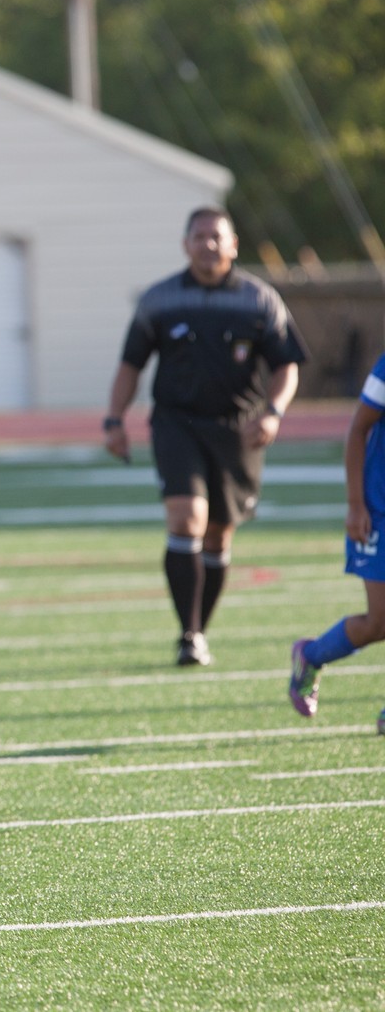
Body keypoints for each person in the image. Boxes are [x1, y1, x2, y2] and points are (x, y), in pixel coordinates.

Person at [103, 207, 306, 667]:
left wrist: (273, 413)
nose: (208, 244)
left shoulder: (260, 299)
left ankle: (199, 629)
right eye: (199, 236)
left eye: (217, 236)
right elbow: (131, 364)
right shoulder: (159, 299)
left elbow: (286, 366)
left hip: (238, 430)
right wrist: (114, 420)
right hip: (177, 424)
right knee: (185, 518)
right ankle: (188, 634)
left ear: (234, 245)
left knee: (217, 535)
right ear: (185, 244)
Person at [288, 351, 385, 735]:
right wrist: (355, 504)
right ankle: (310, 656)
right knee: (380, 621)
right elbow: (358, 429)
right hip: (378, 510)